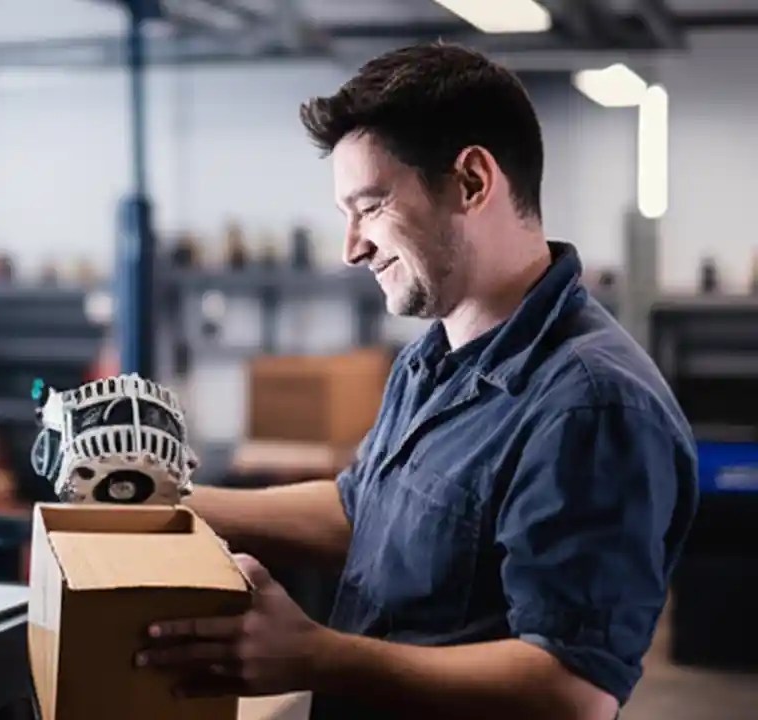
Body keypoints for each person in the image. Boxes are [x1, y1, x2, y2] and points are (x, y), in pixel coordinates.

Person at [135, 43, 698, 719]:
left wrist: (316, 655)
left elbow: (571, 690)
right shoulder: (434, 355)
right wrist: (167, 506)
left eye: (369, 206)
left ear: (470, 181)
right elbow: (363, 511)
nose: (351, 247)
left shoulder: (590, 406)